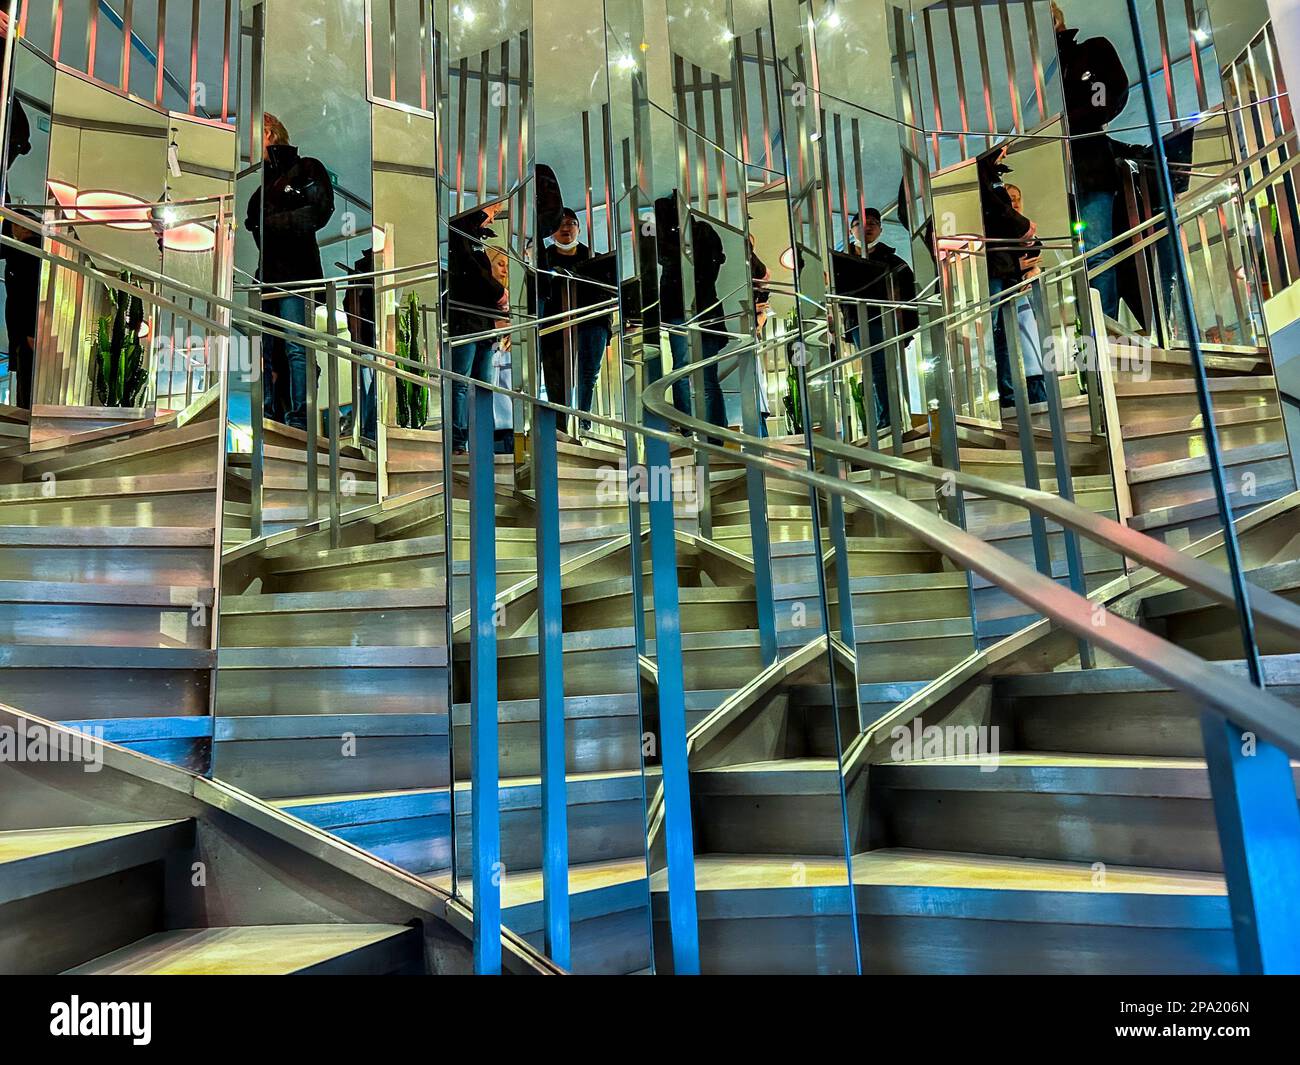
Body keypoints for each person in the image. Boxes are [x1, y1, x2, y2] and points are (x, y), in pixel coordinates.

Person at [246, 113, 335, 431]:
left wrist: (271, 223)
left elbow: (320, 211)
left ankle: (300, 418)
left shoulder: (306, 167)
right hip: (266, 277)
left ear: (268, 134)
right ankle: (271, 413)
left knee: (298, 346)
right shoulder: (261, 184)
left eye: (254, 135)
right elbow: (253, 223)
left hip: (297, 275)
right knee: (266, 350)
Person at [1053, 0, 1129, 322]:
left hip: (1090, 167)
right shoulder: (1037, 71)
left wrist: (1068, 121)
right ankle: (1088, 328)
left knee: (1096, 249)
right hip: (1054, 173)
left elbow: (1111, 94)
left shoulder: (1090, 51)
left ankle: (1105, 327)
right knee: (1069, 257)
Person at [831, 207, 917, 431]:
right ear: (852, 229)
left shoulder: (894, 262)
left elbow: (909, 296)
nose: (868, 226)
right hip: (859, 320)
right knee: (877, 368)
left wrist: (908, 329)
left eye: (873, 223)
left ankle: (887, 420)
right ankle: (887, 419)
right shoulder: (842, 261)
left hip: (885, 318)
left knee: (881, 367)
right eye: (861, 222)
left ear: (880, 229)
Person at [977, 146, 1047, 408]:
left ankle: (1009, 395)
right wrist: (1019, 264)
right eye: (1009, 197)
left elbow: (1036, 249)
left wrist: (1028, 267)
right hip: (1000, 275)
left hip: (1012, 282)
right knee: (993, 332)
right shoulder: (994, 213)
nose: (1014, 202)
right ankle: (1000, 395)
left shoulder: (1020, 226)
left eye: (1017, 197)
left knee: (1008, 338)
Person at [655, 196, 728, 433]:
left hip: (696, 308)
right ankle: (704, 432)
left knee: (692, 372)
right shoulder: (695, 234)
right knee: (693, 373)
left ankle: (704, 432)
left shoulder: (700, 233)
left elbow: (706, 264)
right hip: (694, 308)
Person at [538, 208, 614, 434]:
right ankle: (560, 426)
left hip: (592, 322)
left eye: (571, 223)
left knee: (588, 373)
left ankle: (582, 420)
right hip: (554, 325)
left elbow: (608, 292)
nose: (566, 227)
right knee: (555, 374)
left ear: (579, 229)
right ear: (551, 231)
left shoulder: (594, 257)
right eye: (560, 223)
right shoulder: (543, 260)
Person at [445, 201, 505, 452]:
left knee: (481, 385)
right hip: (466, 319)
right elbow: (470, 270)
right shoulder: (461, 232)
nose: (492, 220)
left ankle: (477, 441)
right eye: (494, 212)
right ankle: (459, 441)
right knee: (461, 382)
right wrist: (498, 291)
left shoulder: (472, 236)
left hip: (482, 320)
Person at [1, 212, 39, 409]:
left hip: (27, 332)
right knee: (26, 384)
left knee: (28, 386)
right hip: (25, 331)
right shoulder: (27, 251)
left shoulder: (27, 252)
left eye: (13, 226)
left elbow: (29, 292)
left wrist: (30, 330)